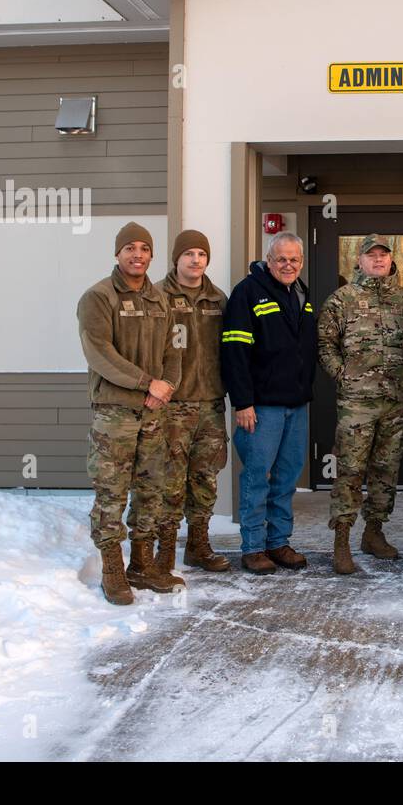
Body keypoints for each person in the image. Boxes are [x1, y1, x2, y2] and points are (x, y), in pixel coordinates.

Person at [76, 221, 183, 605]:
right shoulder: (98, 297)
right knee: (112, 493)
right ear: (117, 253)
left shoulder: (160, 299)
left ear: (151, 255)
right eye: (130, 248)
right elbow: (99, 353)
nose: (137, 254)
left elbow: (174, 353)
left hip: (154, 412)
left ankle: (142, 565)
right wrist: (145, 384)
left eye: (144, 248)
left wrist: (166, 386)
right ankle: (112, 571)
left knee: (151, 490)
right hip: (115, 414)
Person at [317, 233, 403, 574]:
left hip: (395, 403)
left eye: (383, 255)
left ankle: (374, 533)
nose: (378, 260)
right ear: (359, 260)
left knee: (386, 471)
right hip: (356, 405)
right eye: (371, 255)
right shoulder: (342, 299)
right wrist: (342, 375)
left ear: (391, 261)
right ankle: (342, 542)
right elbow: (324, 344)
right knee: (349, 471)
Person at [220, 231, 318, 575]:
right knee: (257, 478)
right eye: (281, 258)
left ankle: (279, 542)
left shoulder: (301, 294)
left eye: (294, 259)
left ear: (301, 262)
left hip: (296, 405)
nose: (288, 264)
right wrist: (243, 402)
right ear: (268, 259)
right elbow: (234, 351)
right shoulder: (248, 292)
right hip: (261, 408)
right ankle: (252, 548)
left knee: (286, 479)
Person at [152, 229, 230, 575]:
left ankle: (198, 546)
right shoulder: (157, 296)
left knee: (205, 479)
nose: (196, 260)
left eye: (201, 254)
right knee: (169, 481)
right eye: (189, 254)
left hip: (211, 403)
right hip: (172, 406)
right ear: (176, 259)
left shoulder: (218, 299)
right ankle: (165, 551)